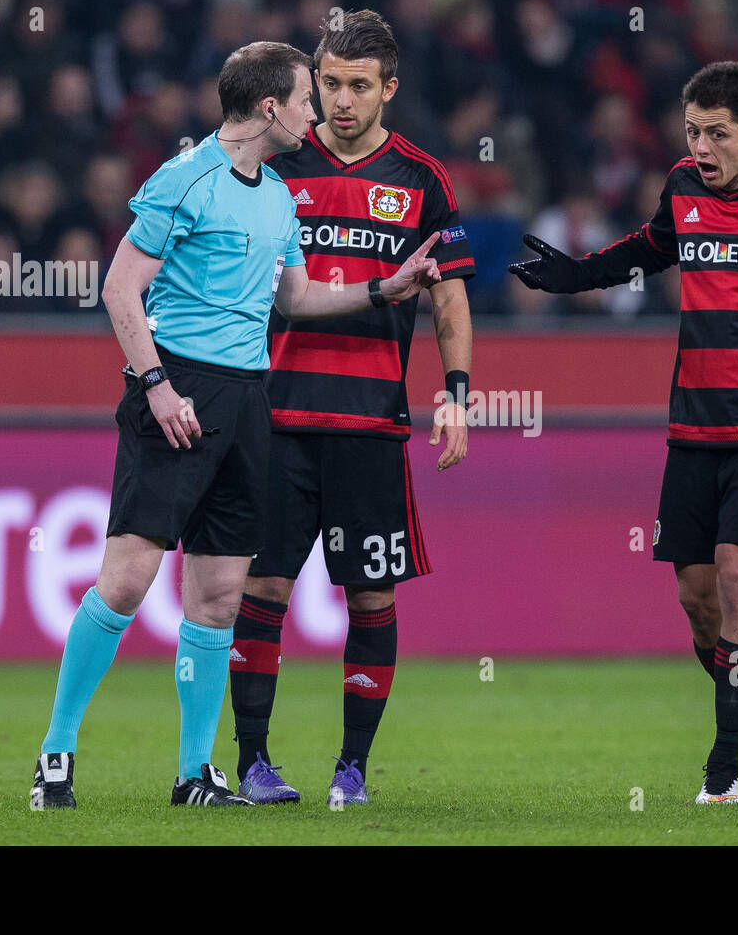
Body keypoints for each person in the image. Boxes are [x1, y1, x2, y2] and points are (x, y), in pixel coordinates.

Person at [30, 40, 443, 810]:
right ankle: (56, 753)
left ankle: (195, 773)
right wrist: (155, 386)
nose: (316, 111)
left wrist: (389, 286)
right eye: (305, 98)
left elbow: (297, 300)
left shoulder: (278, 198)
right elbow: (120, 290)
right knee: (124, 582)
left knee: (220, 597)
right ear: (269, 108)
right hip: (177, 393)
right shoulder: (185, 181)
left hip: (253, 401)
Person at [510, 61, 738, 804]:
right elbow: (651, 247)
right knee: (697, 596)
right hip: (694, 424)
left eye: (717, 134)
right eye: (693, 132)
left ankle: (723, 777)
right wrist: (576, 276)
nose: (703, 147)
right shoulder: (683, 186)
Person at [229, 10, 475, 807]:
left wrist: (458, 393)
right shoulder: (278, 165)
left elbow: (451, 295)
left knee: (370, 596)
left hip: (369, 423)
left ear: (389, 89)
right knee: (261, 590)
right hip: (275, 418)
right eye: (329, 83)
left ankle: (352, 769)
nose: (340, 100)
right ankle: (254, 763)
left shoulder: (422, 181)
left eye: (358, 87)